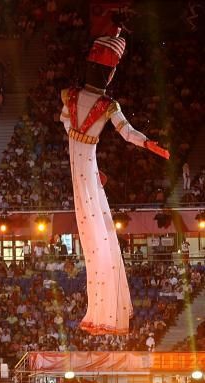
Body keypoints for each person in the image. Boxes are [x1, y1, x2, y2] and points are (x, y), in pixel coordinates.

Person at [60, 29, 169, 335]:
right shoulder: (109, 106)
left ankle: (100, 310)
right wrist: (149, 144)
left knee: (95, 234)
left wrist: (92, 166)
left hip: (81, 164)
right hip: (86, 165)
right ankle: (102, 309)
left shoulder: (69, 95)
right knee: (98, 236)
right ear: (110, 73)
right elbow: (129, 134)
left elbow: (68, 124)